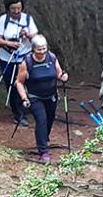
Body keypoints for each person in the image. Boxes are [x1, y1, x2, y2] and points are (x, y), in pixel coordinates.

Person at [13, 34, 67, 163]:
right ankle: (43, 151)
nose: (42, 52)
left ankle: (44, 138)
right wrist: (24, 98)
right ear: (33, 49)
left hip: (51, 95)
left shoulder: (52, 57)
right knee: (41, 120)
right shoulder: (27, 62)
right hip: (34, 97)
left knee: (49, 119)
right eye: (39, 49)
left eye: (44, 49)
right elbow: (19, 82)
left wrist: (63, 76)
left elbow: (59, 72)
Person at [0, 0, 38, 123]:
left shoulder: (28, 19)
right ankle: (18, 113)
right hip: (7, 58)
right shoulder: (4, 20)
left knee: (28, 82)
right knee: (12, 85)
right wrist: (9, 43)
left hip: (25, 57)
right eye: (13, 8)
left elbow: (36, 38)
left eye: (19, 8)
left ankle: (29, 107)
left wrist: (27, 35)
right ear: (8, 9)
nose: (16, 11)